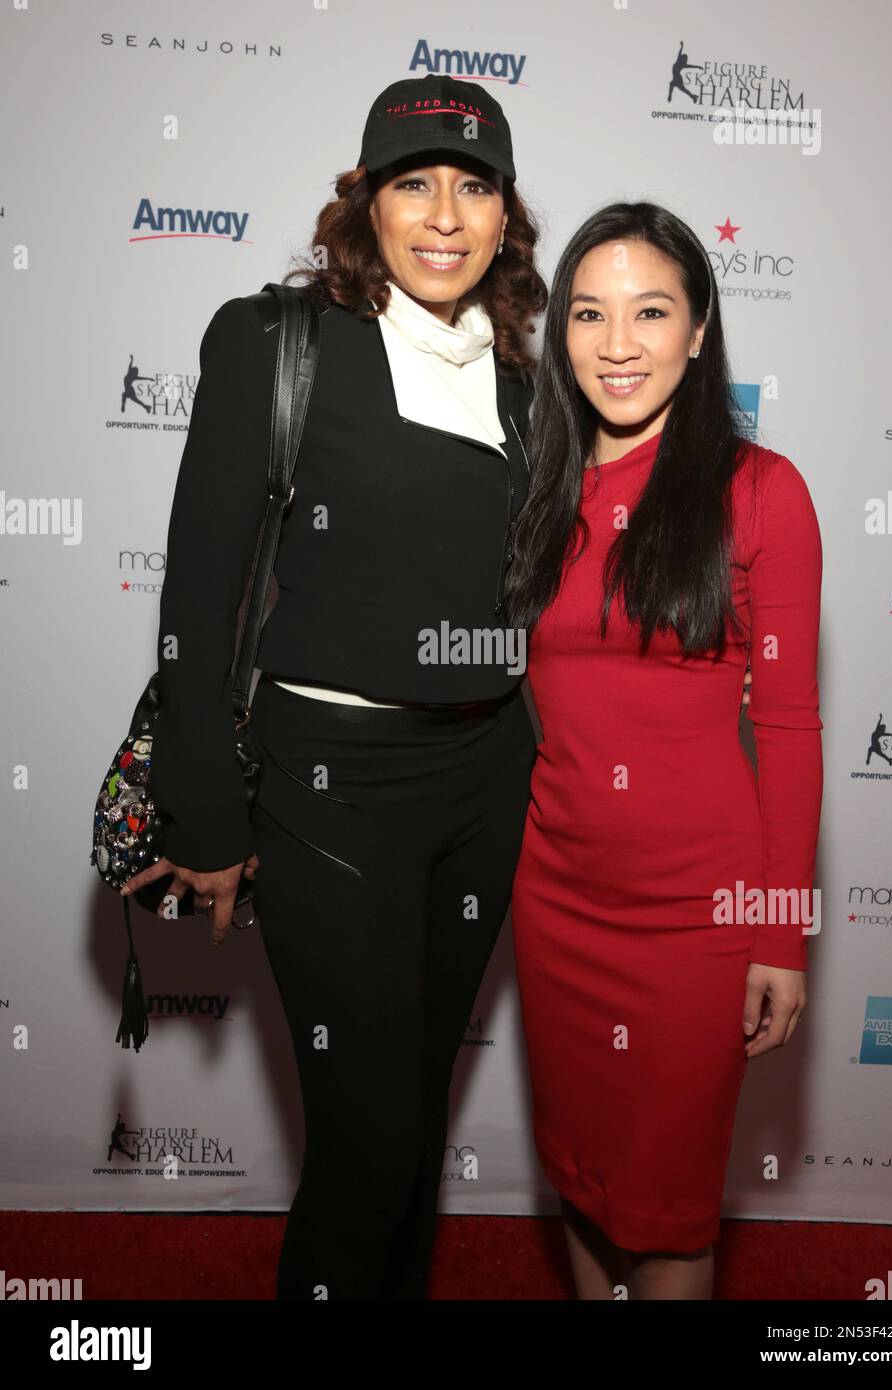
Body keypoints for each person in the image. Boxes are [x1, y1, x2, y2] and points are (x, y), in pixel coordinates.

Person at [121, 72, 546, 1300]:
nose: (447, 213)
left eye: (476, 186)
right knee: (366, 1150)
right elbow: (197, 593)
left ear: (509, 217)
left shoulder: (528, 384)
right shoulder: (275, 341)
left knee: (411, 1130)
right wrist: (203, 809)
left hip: (484, 781)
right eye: (413, 182)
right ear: (364, 205)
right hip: (329, 788)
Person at [505, 201, 823, 1300]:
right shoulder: (538, 492)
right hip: (558, 899)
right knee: (584, 1181)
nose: (619, 343)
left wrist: (779, 929)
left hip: (700, 915)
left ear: (698, 331)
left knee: (673, 1207)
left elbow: (787, 727)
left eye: (651, 312)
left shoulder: (761, 491)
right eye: (589, 314)